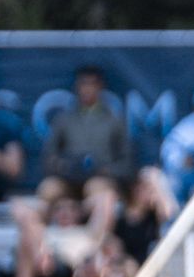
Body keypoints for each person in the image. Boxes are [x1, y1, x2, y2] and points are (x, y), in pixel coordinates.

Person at [39, 65, 132, 193]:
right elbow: (49, 156)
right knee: (49, 189)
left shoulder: (115, 121)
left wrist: (106, 170)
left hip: (102, 178)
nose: (87, 89)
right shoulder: (63, 120)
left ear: (100, 86)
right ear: (77, 87)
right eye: (83, 84)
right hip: (68, 179)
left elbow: (127, 163)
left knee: (95, 188)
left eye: (92, 84)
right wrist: (63, 165)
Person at [117, 168, 178, 265]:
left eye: (151, 190)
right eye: (146, 188)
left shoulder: (153, 215)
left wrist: (157, 186)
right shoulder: (120, 217)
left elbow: (170, 214)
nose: (150, 193)